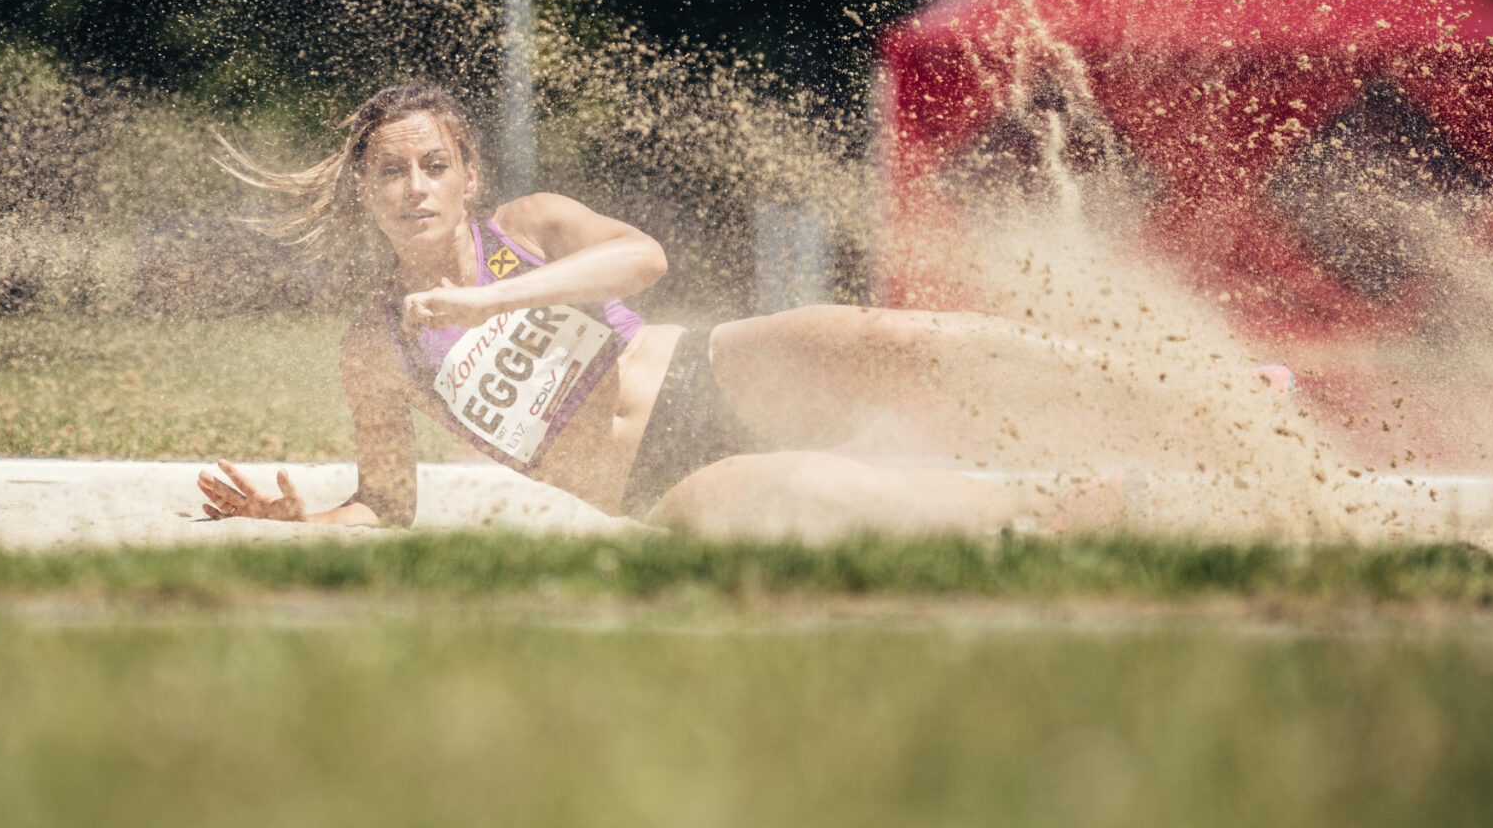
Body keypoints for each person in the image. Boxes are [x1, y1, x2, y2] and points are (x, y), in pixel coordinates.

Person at [195, 81, 1275, 536]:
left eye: (434, 165)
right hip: (660, 477)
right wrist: (309, 519)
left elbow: (643, 261)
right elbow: (388, 503)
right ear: (364, 191)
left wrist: (489, 293)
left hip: (714, 370)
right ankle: (1103, 508)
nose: (415, 188)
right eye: (390, 173)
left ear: (468, 174)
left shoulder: (529, 223)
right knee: (824, 502)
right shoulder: (372, 348)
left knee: (891, 338)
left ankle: (1195, 390)